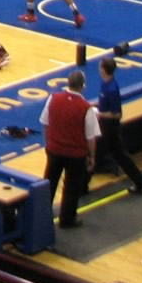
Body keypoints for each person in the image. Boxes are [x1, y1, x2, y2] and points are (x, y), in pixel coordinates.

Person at [40, 69, 99, 228]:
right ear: (83, 86)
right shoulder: (86, 108)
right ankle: (67, 219)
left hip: (54, 150)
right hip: (76, 154)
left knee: (49, 183)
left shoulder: (53, 98)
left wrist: (49, 143)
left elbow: (45, 122)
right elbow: (90, 137)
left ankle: (41, 215)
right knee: (72, 187)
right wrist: (92, 156)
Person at [93, 56, 142, 194]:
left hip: (109, 128)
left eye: (100, 66)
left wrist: (100, 114)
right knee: (120, 155)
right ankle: (140, 180)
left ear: (104, 70)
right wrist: (93, 105)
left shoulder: (112, 88)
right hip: (106, 126)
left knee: (95, 155)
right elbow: (103, 103)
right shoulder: (105, 83)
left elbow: (117, 114)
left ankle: (81, 186)